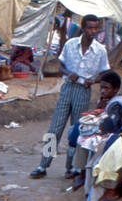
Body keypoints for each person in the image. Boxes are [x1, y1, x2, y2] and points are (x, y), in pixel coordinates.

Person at [30, 14, 110, 177]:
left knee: (76, 131)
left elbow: (105, 72)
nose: (92, 31)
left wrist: (93, 80)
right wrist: (69, 73)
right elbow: (61, 66)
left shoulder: (100, 50)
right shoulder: (70, 44)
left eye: (95, 28)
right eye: (89, 27)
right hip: (68, 88)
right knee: (54, 128)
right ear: (83, 28)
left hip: (83, 91)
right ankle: (43, 165)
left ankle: (71, 167)